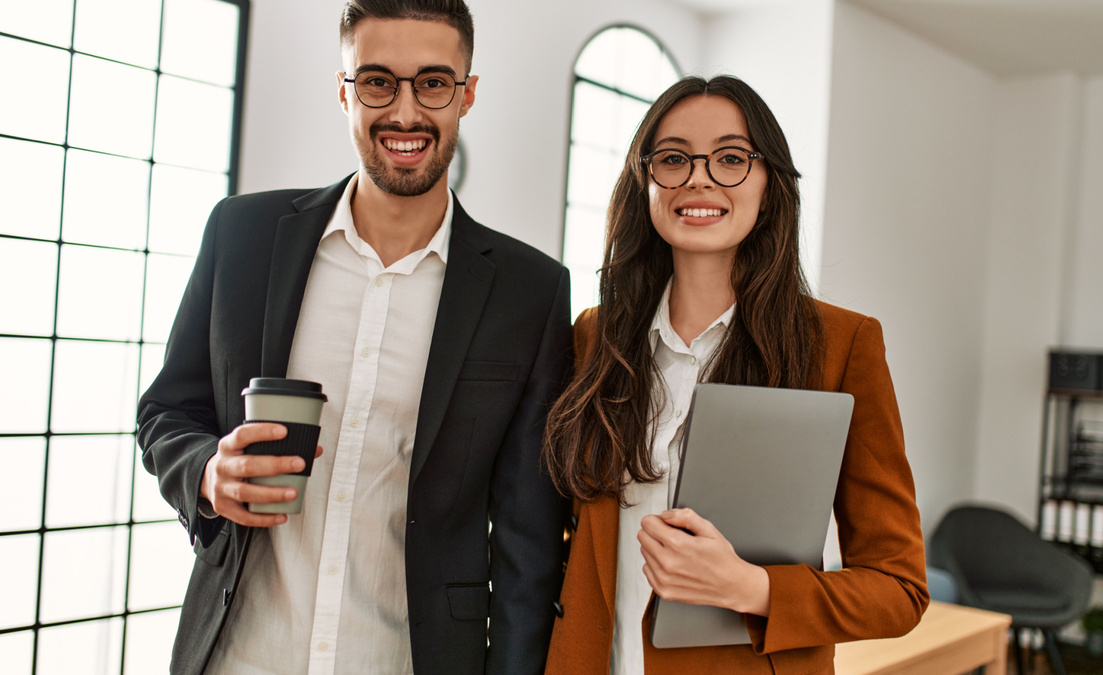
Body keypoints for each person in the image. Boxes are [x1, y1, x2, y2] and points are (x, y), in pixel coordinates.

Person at [136, 1, 570, 673]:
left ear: (467, 94)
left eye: (432, 82)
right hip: (240, 654)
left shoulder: (530, 293)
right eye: (376, 82)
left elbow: (526, 550)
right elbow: (166, 412)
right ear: (344, 90)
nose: (404, 112)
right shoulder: (242, 236)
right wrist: (206, 473)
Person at [541, 75, 928, 674]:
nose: (698, 178)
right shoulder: (595, 335)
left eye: (730, 158)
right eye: (673, 159)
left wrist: (752, 588)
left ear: (770, 183)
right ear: (644, 181)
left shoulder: (841, 345)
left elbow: (899, 591)